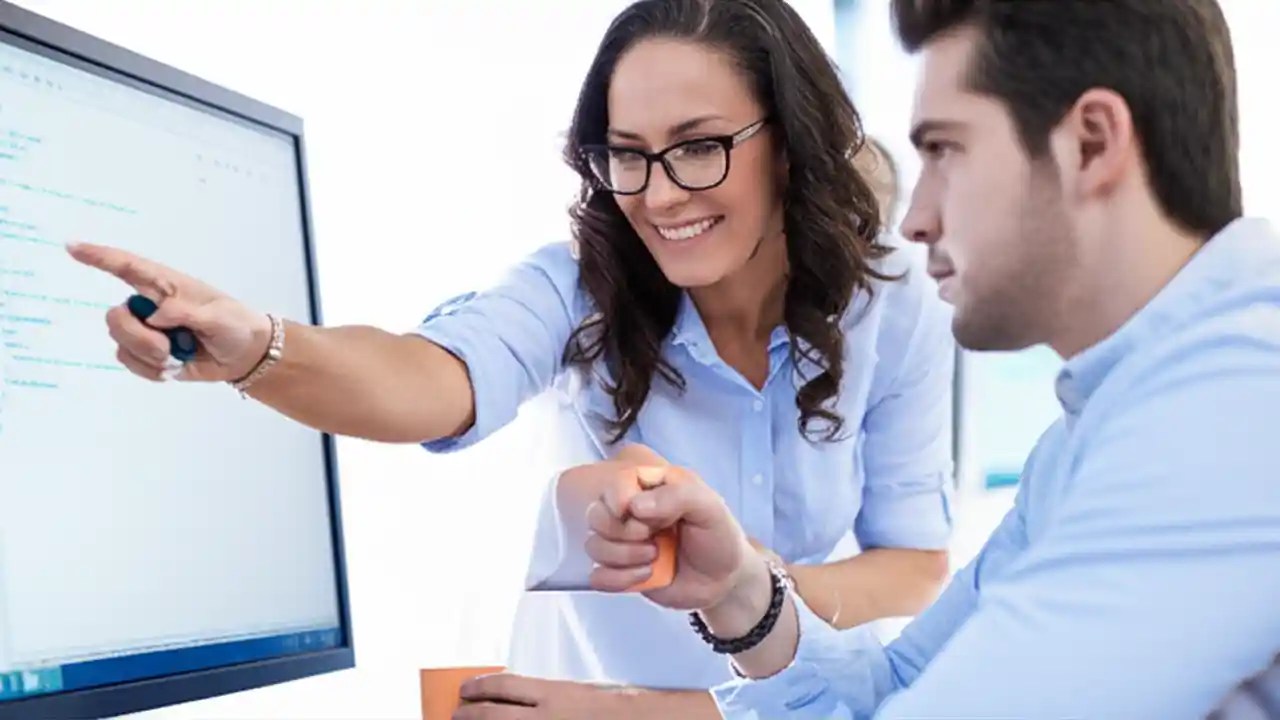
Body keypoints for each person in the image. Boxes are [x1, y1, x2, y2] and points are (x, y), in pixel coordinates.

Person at [66, 0, 957, 716]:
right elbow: (434, 376)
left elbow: (915, 565)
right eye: (627, 156)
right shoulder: (584, 285)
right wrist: (265, 347)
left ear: (791, 141)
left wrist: (738, 585)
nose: (657, 194)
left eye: (698, 147)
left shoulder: (893, 301)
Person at [571, 0, 1280, 718]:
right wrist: (739, 591)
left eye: (944, 150)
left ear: (1091, 144)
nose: (916, 218)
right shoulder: (1086, 439)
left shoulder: (1238, 407)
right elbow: (899, 685)